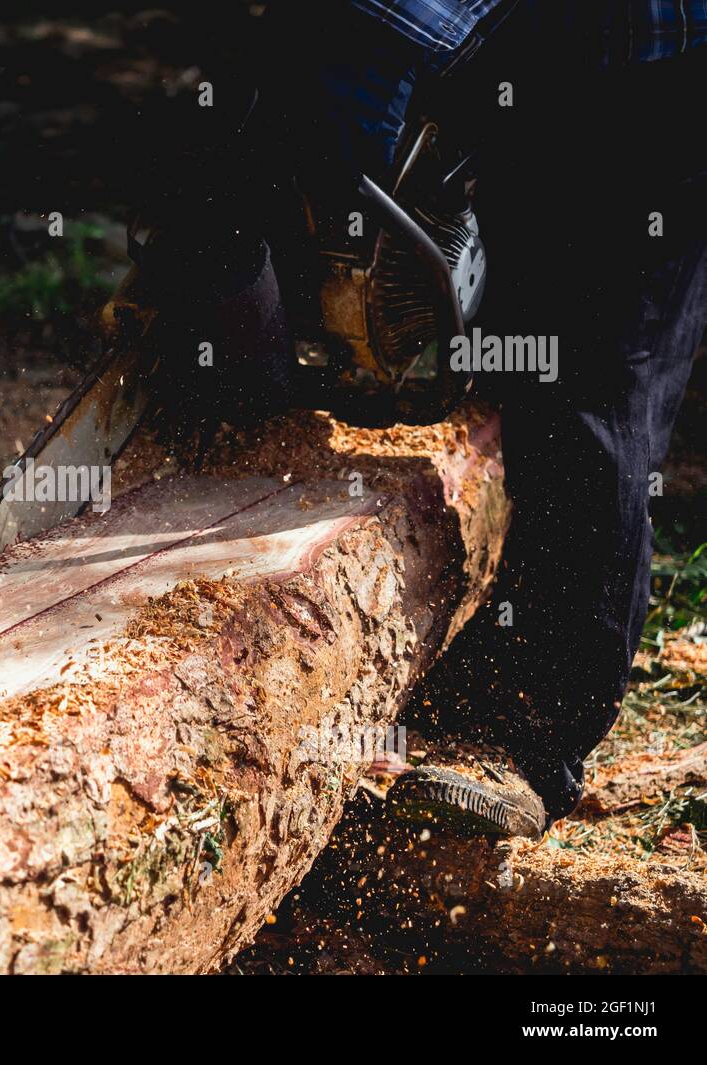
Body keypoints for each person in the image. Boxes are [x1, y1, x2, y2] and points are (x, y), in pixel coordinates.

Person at [138, 0, 707, 837]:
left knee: (589, 396)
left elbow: (388, 37)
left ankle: (520, 732)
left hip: (655, 63)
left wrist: (328, 140)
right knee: (511, 319)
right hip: (527, 45)